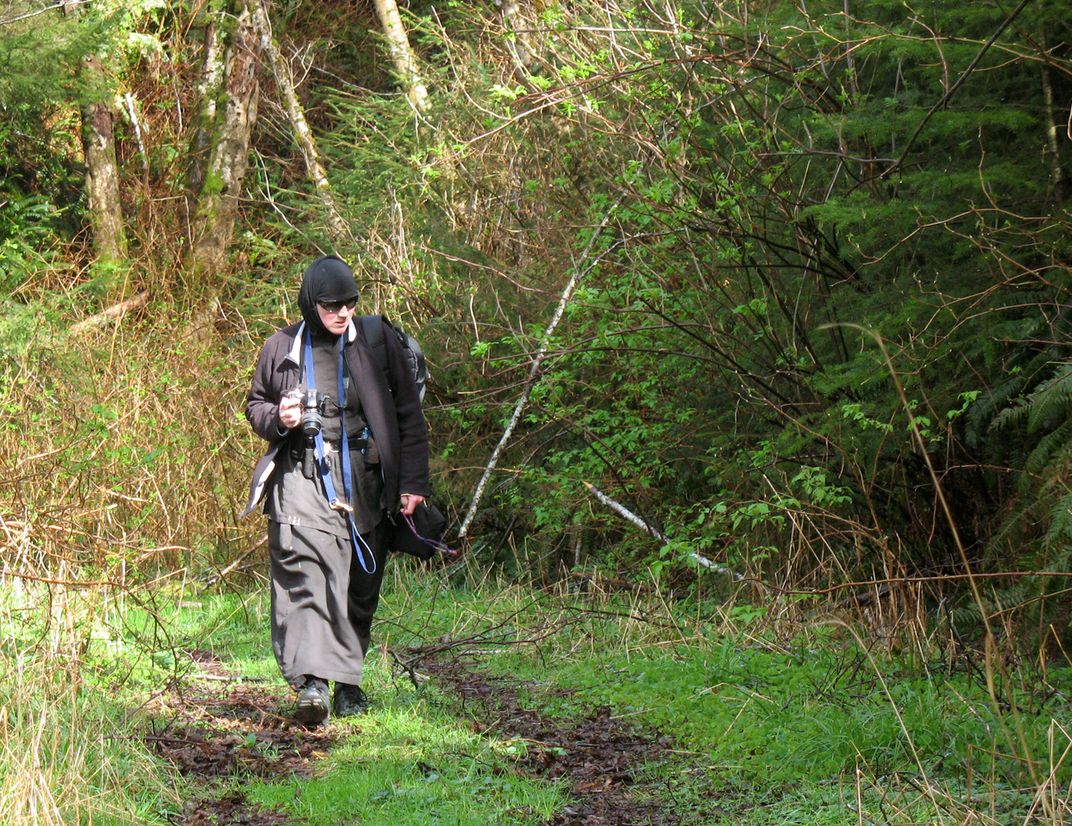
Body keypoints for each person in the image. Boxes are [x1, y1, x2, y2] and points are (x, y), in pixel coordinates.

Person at [242, 255, 429, 724]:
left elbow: (408, 413)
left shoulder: (377, 341)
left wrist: (412, 482)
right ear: (311, 303)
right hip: (303, 473)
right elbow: (256, 405)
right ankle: (312, 685)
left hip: (366, 478)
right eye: (331, 306)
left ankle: (348, 683)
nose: (342, 313)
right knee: (307, 572)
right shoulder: (281, 345)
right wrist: (278, 419)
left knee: (357, 583)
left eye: (349, 304)